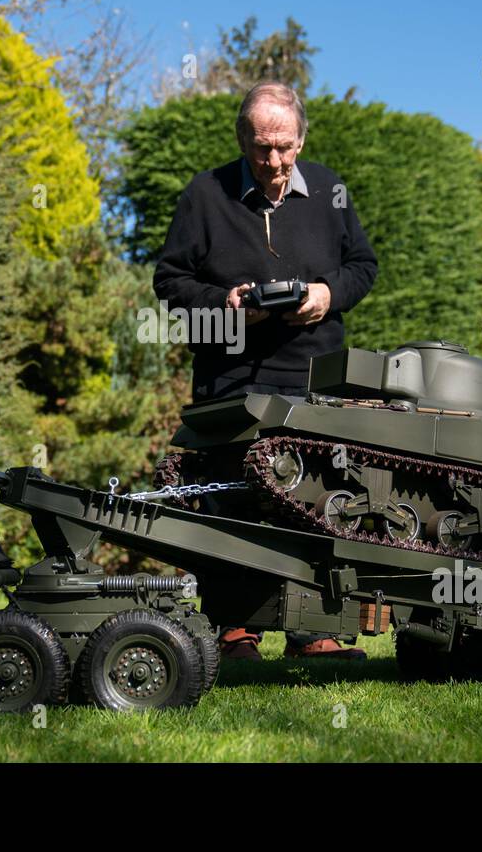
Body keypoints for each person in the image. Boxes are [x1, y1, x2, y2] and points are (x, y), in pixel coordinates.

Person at [153, 81, 378, 660]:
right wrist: (228, 307)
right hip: (231, 378)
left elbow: (363, 266)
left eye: (284, 147)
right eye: (261, 149)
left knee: (316, 499)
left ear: (302, 139)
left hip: (314, 376)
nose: (273, 161)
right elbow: (170, 282)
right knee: (231, 500)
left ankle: (316, 631)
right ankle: (233, 630)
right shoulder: (205, 194)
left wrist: (327, 295)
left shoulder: (331, 190)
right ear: (242, 141)